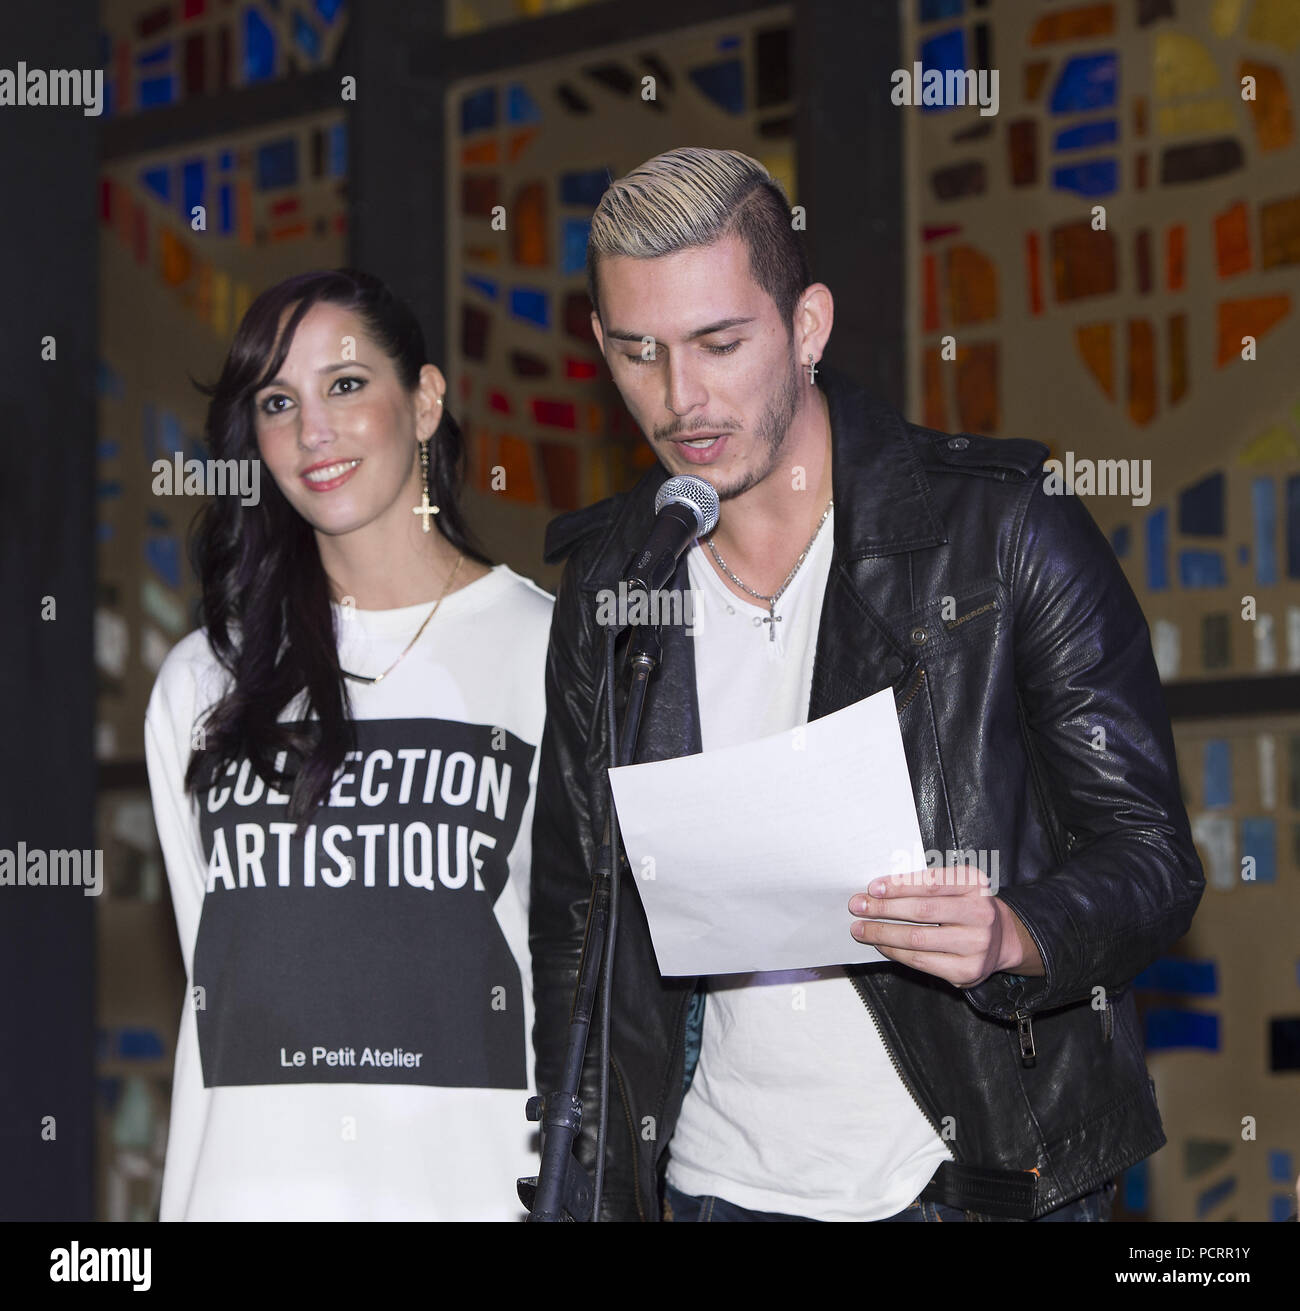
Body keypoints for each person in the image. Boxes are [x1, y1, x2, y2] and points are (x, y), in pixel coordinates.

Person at [529, 148, 1205, 1223]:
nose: (679, 397)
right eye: (636, 352)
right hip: (710, 1189)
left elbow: (1154, 858)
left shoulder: (1005, 525)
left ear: (806, 327)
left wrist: (1015, 934)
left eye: (719, 343)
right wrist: (586, 1186)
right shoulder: (615, 579)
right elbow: (574, 923)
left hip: (972, 1183)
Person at [145, 268, 552, 1220]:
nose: (311, 431)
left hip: (473, 1192)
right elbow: (217, 987)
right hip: (246, 1195)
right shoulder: (201, 683)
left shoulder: (547, 651)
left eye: (345, 384)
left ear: (424, 401)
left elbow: (589, 977)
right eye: (277, 402)